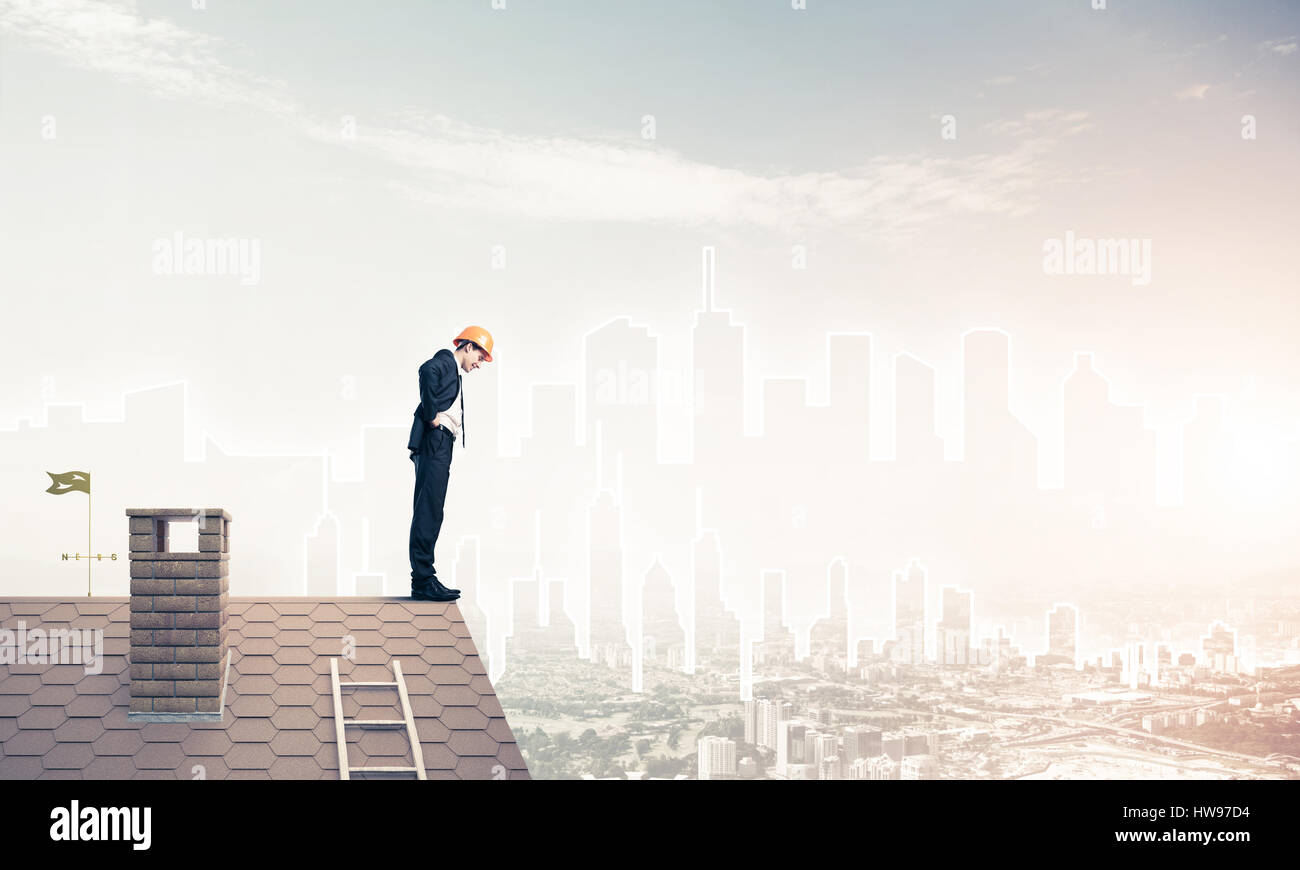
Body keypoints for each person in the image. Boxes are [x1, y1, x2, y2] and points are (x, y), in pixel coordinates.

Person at [406, 326, 494, 602]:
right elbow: (425, 370)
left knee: (433, 510)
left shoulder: (453, 372)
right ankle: (422, 580)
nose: (479, 365)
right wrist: (432, 414)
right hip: (435, 440)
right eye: (480, 357)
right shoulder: (445, 361)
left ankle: (425, 578)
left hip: (441, 444)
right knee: (428, 510)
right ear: (468, 347)